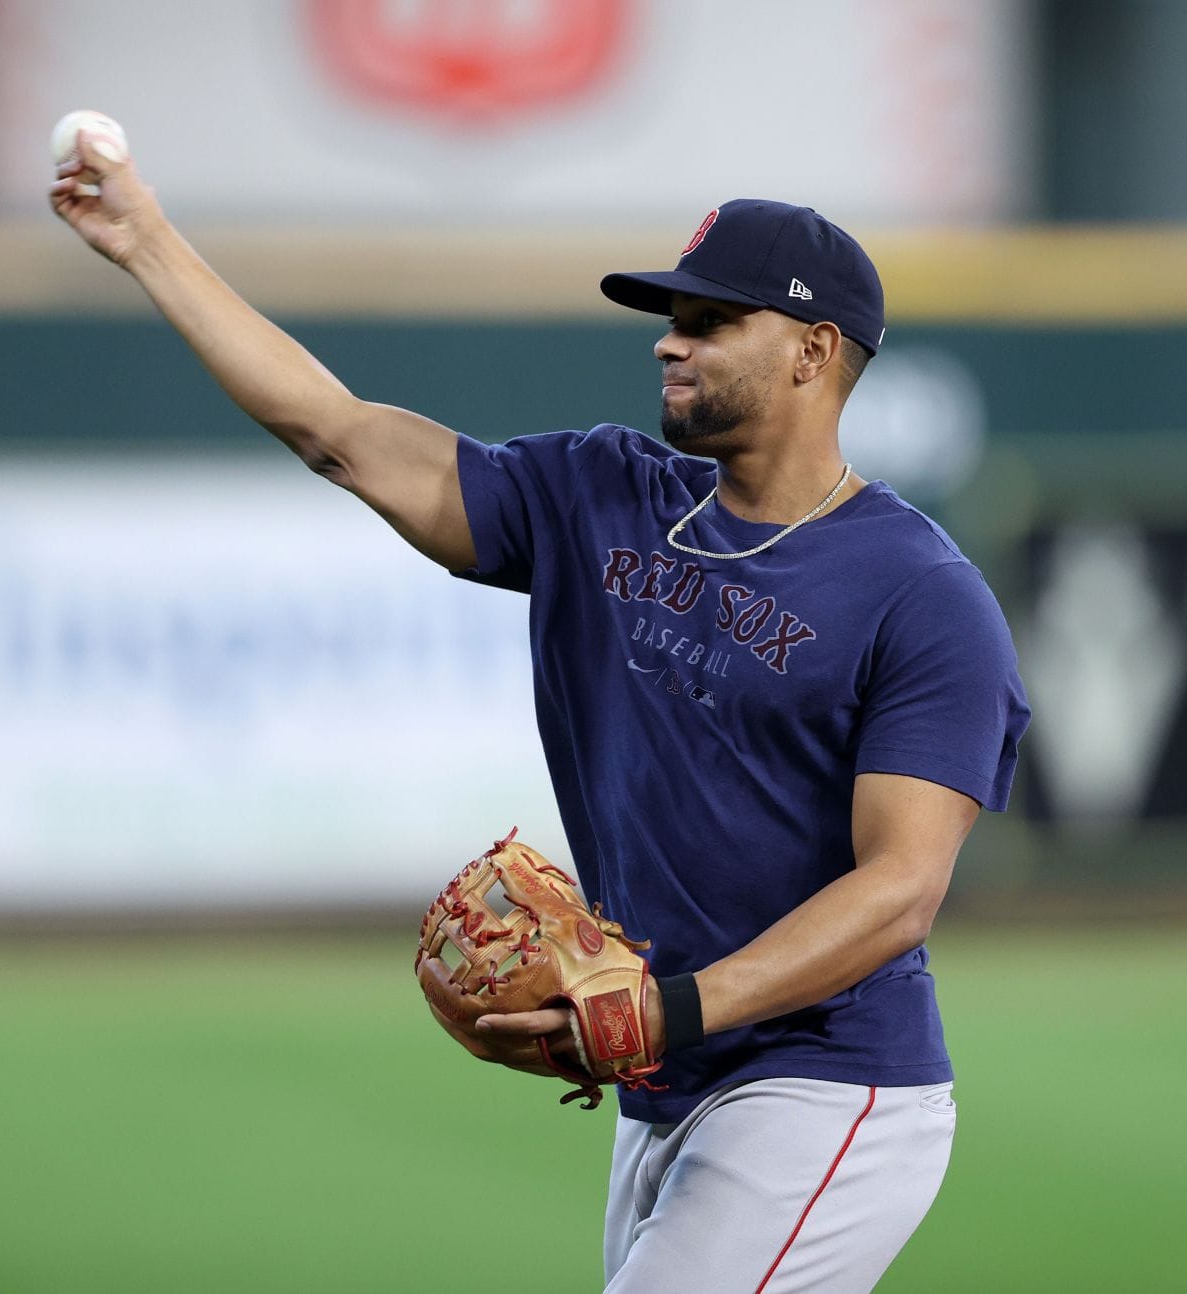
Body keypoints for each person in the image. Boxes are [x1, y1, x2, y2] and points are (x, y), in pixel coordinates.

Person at [53, 133, 1029, 1292]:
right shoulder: (600, 496)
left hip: (828, 1084)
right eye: (671, 314)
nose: (672, 337)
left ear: (815, 350)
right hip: (664, 1092)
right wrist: (146, 242)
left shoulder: (921, 596)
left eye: (713, 320)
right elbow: (343, 435)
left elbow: (898, 892)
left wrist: (666, 1011)